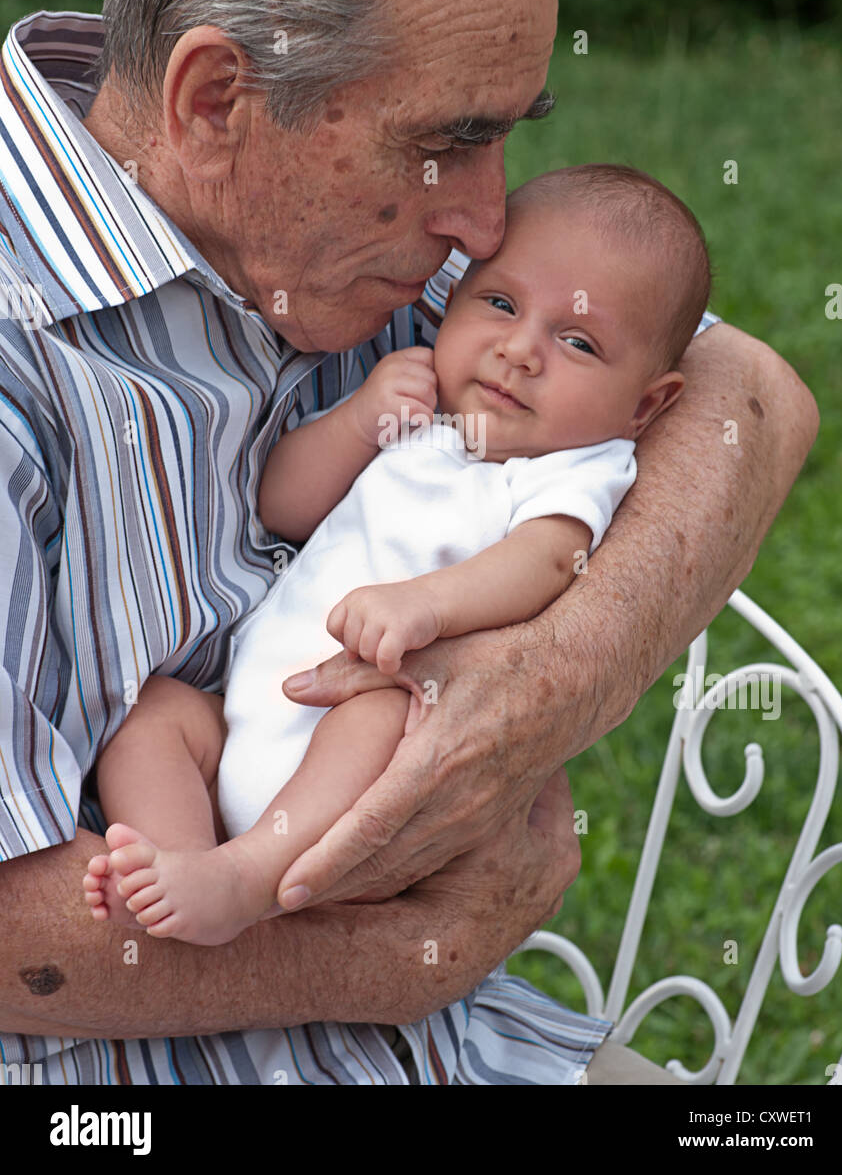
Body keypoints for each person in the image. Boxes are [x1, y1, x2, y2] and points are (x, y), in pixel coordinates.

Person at [0, 0, 817, 1086]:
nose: (489, 226)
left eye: (506, 137)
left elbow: (755, 397)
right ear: (217, 100)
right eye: (452, 141)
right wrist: (399, 950)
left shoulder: (437, 283)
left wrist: (544, 678)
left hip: (471, 1048)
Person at [82, 163, 709, 947]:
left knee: (380, 710)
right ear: (452, 303)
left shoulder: (578, 464)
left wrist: (428, 605)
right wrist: (358, 423)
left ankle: (246, 877)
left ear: (645, 404)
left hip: (362, 737)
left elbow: (548, 561)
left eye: (577, 341)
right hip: (253, 710)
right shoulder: (421, 411)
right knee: (156, 714)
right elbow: (281, 504)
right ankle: (182, 861)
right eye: (500, 305)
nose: (519, 351)